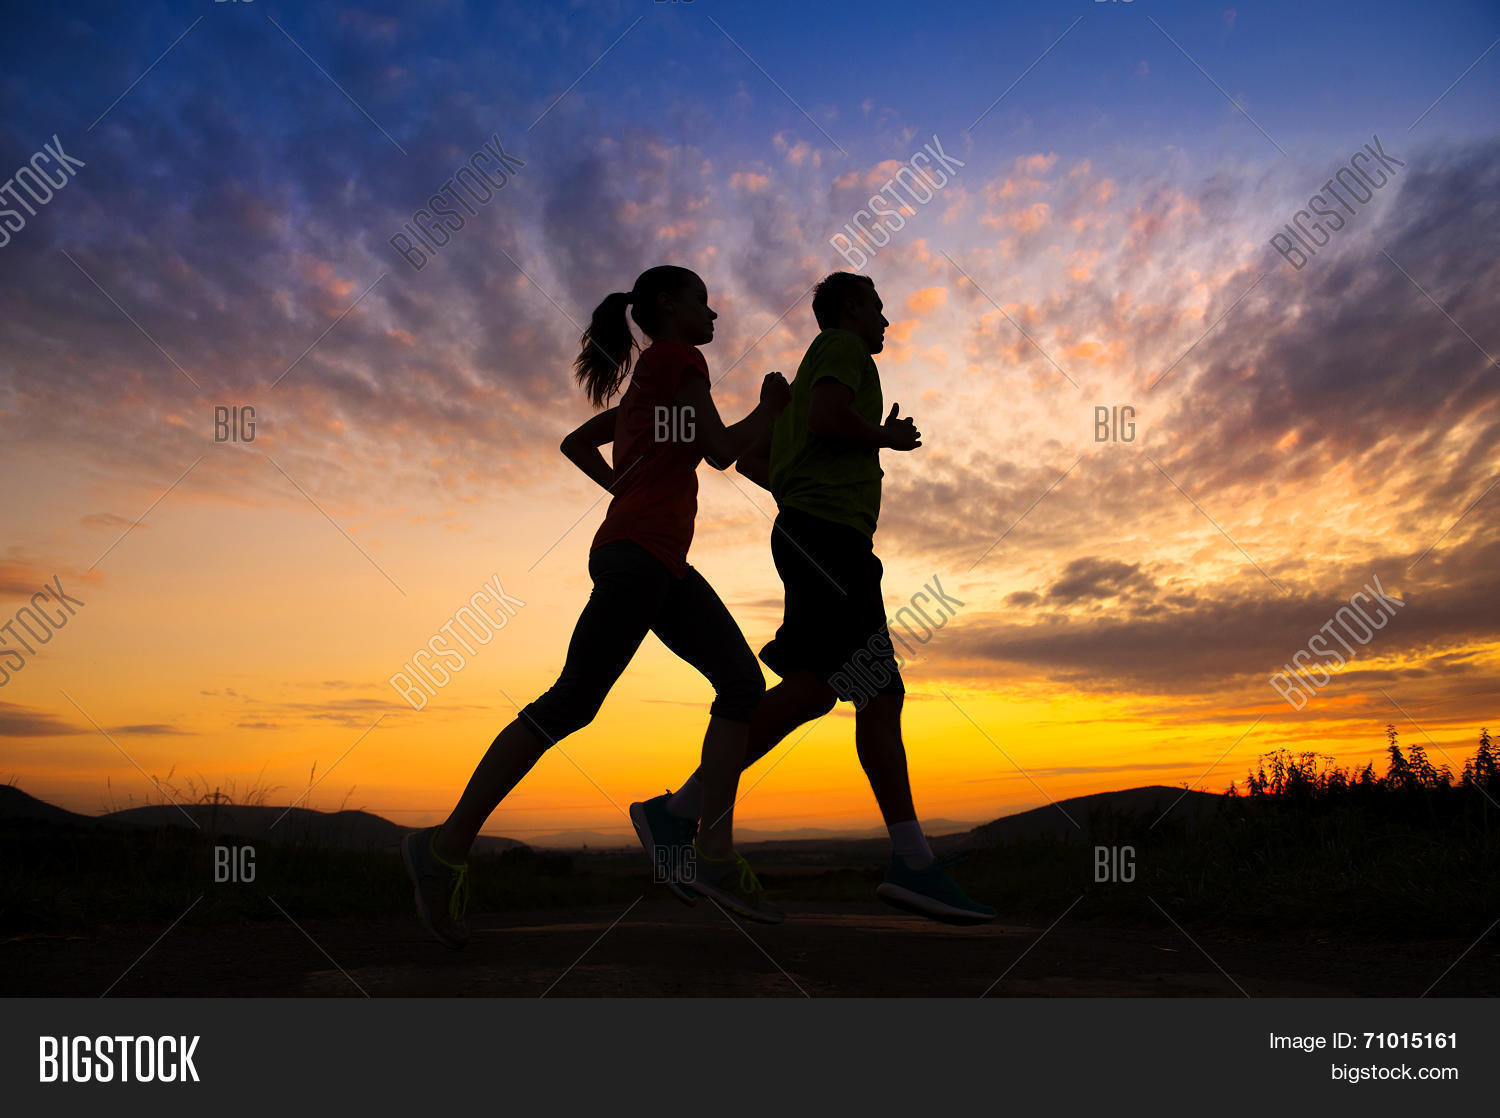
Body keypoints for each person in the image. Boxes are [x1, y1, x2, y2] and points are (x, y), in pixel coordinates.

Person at [404, 265, 790, 948]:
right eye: (704, 300)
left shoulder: (651, 387)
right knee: (573, 702)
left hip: (651, 558)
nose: (716, 315)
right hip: (641, 556)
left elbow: (578, 442)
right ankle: (445, 847)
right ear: (671, 306)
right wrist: (772, 406)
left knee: (736, 683)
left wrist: (625, 488)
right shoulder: (678, 358)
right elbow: (726, 450)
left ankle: (715, 857)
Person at [636, 271, 995, 924]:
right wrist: (882, 439)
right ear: (852, 309)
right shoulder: (840, 349)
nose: (885, 322)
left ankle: (680, 810)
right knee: (870, 692)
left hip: (820, 538)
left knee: (819, 690)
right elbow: (830, 420)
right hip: (829, 543)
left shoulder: (804, 382)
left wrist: (803, 492)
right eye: (879, 309)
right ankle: (912, 864)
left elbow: (756, 463)